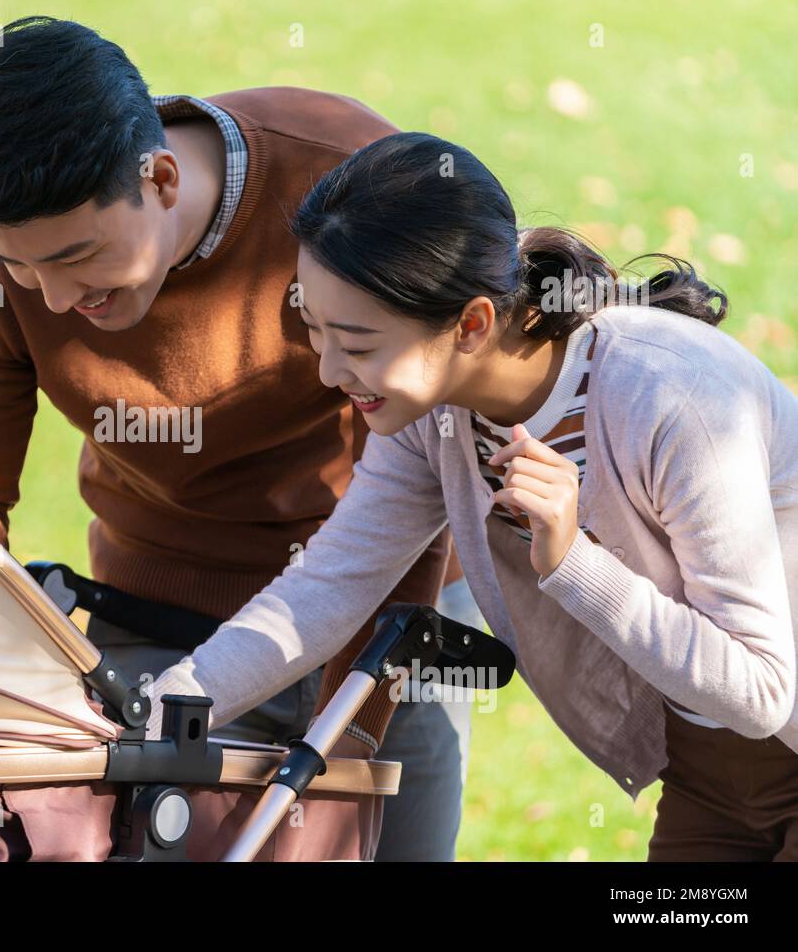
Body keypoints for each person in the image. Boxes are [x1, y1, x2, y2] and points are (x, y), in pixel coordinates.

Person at [145, 131, 798, 860]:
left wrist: (574, 562)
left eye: (358, 345)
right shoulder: (435, 416)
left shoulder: (674, 399)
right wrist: (162, 708)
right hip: (712, 766)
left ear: (473, 324)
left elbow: (762, 687)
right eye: (316, 332)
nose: (330, 370)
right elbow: (327, 587)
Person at [0, 16, 463, 859]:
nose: (51, 299)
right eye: (22, 268)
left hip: (383, 602)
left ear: (161, 178)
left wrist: (346, 735)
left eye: (77, 256)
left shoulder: (349, 188)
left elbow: (420, 481)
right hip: (151, 605)